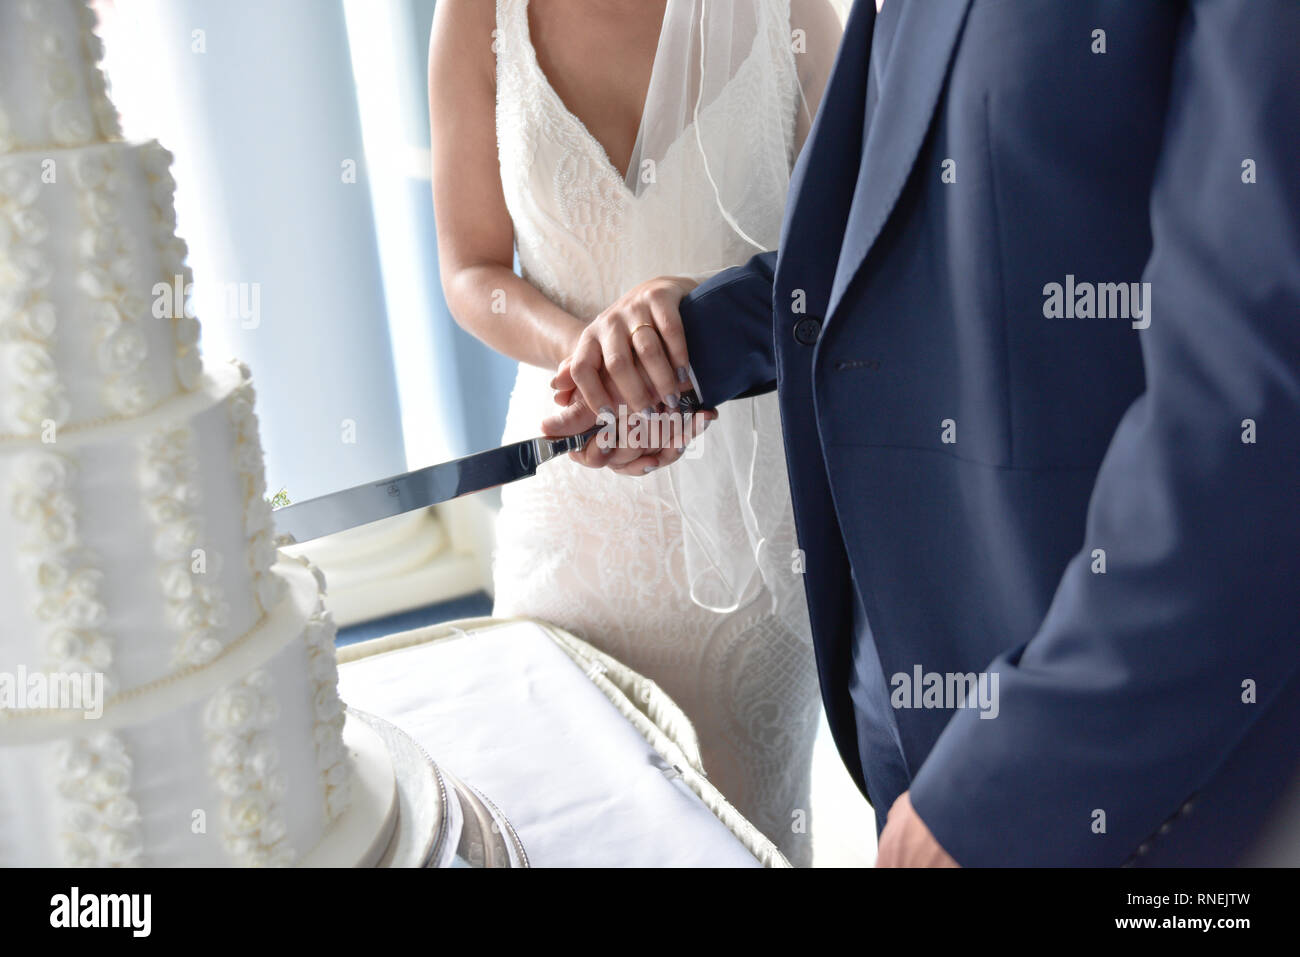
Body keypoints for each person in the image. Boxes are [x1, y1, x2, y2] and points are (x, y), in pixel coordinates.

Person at [547, 0, 1300, 865]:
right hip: (909, 723)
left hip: (1114, 773)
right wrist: (691, 345)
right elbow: (903, 228)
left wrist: (1007, 787)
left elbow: (1254, 424)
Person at [428, 0, 843, 864]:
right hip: (570, 521)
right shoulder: (478, 15)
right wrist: (588, 358)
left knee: (742, 838)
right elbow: (470, 267)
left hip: (753, 539)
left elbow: (850, 249)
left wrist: (711, 322)